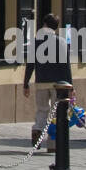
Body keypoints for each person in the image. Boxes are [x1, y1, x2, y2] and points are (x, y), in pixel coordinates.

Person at [23, 14, 73, 152]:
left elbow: (30, 64)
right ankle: (53, 144)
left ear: (44, 24)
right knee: (56, 114)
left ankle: (37, 130)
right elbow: (66, 66)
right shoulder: (61, 42)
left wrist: (26, 83)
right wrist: (70, 86)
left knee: (42, 109)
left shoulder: (36, 41)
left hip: (41, 82)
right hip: (58, 84)